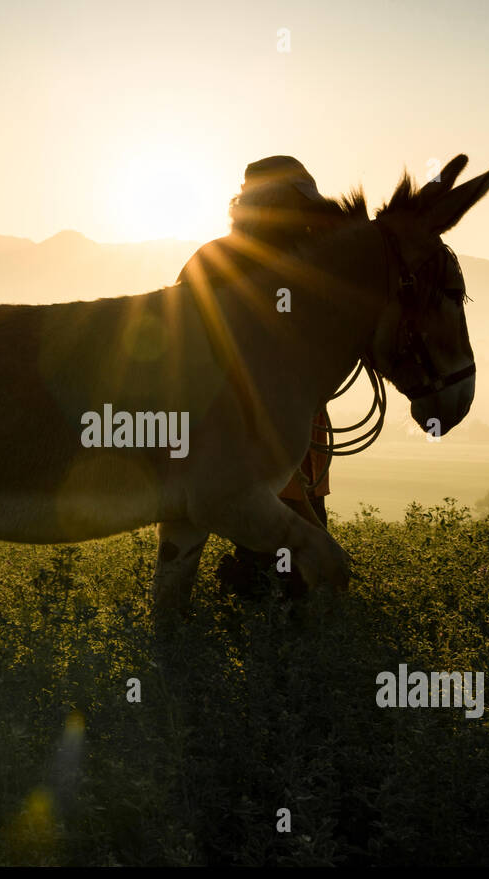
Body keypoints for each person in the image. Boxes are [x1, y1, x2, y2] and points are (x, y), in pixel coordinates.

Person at [175, 156, 338, 599]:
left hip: (295, 446)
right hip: (241, 448)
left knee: (294, 562)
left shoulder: (295, 263)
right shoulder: (217, 263)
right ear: (269, 207)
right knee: (276, 568)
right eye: (298, 208)